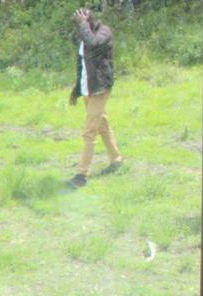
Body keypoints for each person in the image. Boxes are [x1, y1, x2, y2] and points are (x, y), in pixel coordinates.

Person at [67, 7, 123, 189]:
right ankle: (116, 160)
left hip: (99, 88)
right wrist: (76, 90)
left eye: (82, 22)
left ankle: (82, 175)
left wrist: (83, 24)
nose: (79, 26)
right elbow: (82, 66)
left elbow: (93, 43)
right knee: (102, 125)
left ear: (89, 20)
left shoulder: (104, 32)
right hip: (88, 88)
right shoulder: (82, 36)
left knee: (89, 132)